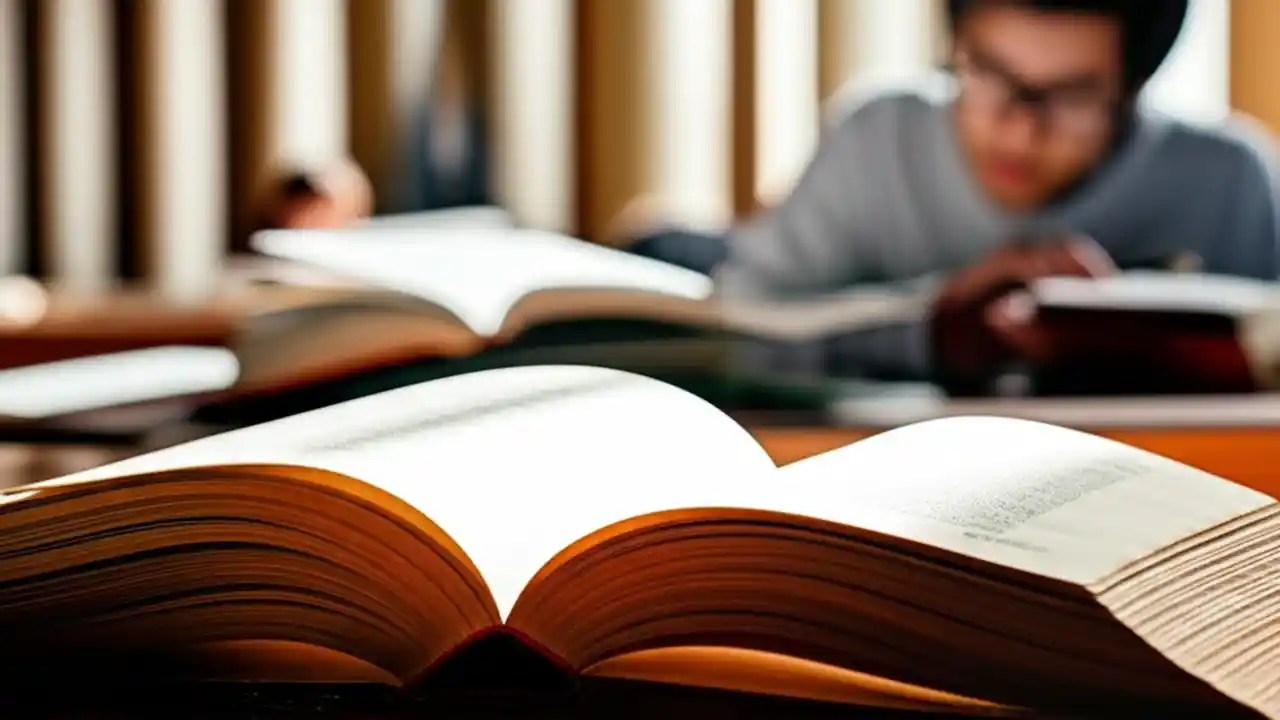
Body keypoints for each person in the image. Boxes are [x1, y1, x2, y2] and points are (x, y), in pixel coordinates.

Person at [712, 0, 1280, 393]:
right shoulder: (876, 139)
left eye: (1070, 96)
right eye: (988, 73)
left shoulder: (1228, 178)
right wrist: (933, 326)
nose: (1019, 131)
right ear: (954, 44)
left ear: (1133, 89)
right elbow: (731, 338)